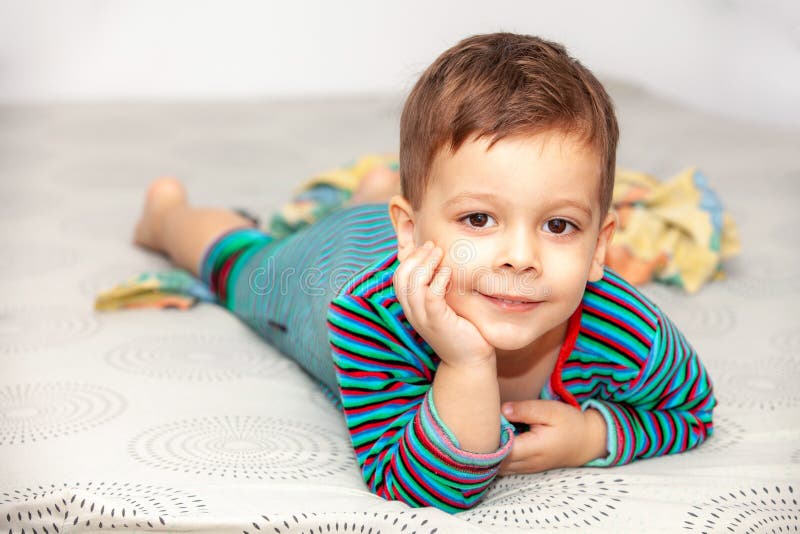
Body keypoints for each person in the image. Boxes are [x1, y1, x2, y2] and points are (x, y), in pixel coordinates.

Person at [132, 32, 717, 513]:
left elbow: (692, 409)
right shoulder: (369, 315)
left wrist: (595, 436)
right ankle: (166, 217)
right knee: (244, 265)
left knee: (366, 211)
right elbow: (420, 484)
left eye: (558, 226)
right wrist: (466, 362)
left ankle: (377, 196)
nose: (520, 257)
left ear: (599, 247)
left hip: (401, 230)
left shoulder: (623, 329)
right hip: (321, 266)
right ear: (409, 233)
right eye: (480, 217)